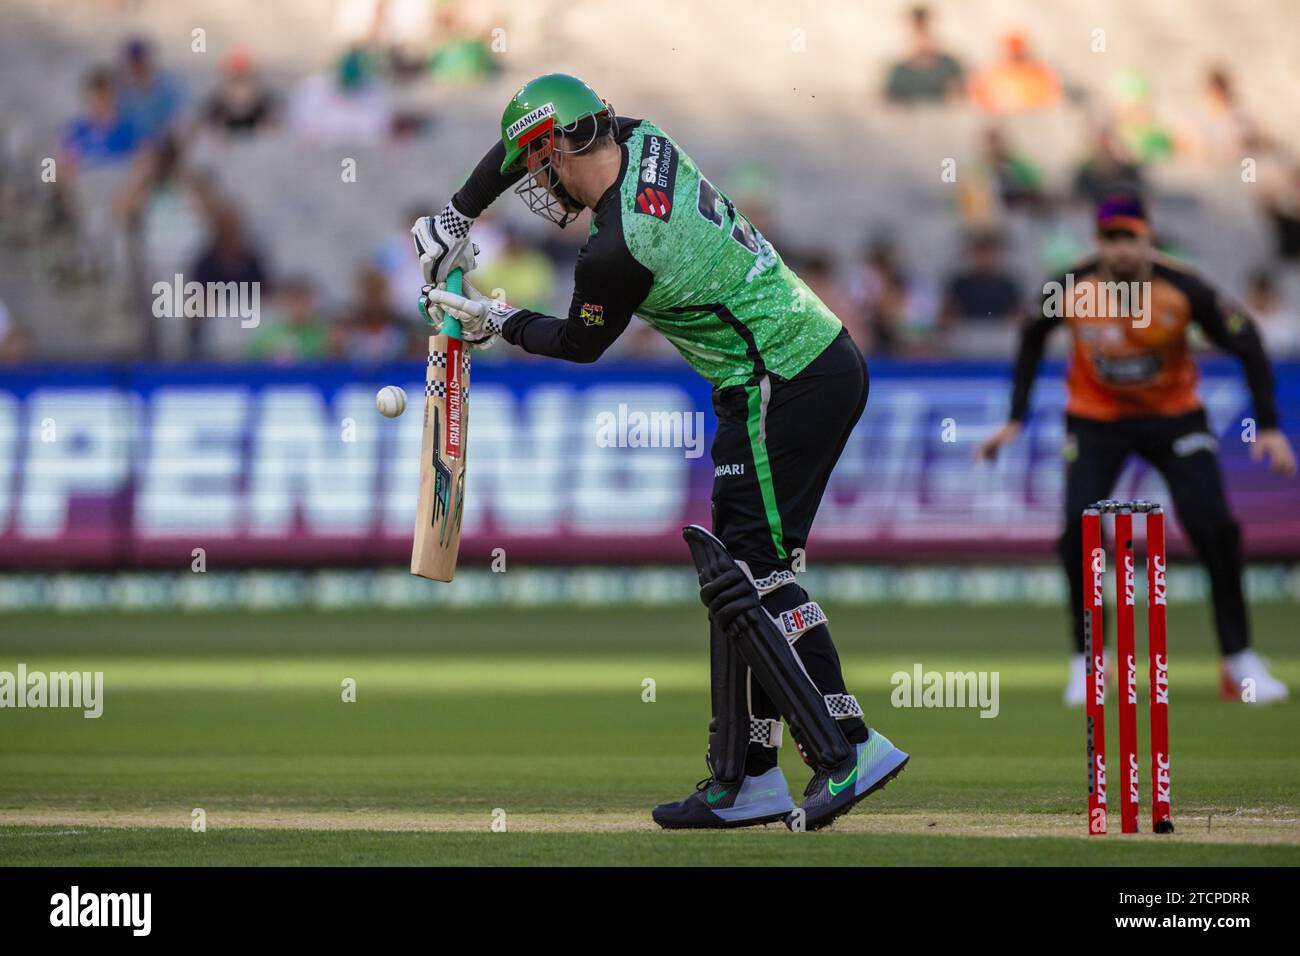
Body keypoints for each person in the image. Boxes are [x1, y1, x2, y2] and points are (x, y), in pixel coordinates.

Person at [412, 73, 908, 831]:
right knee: (733, 572)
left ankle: (848, 747)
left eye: (539, 166)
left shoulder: (620, 249)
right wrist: (456, 214)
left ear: (561, 149)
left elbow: (581, 344)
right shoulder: (641, 136)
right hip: (781, 375)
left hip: (786, 378)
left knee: (752, 574)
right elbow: (531, 136)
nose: (536, 185)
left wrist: (496, 322)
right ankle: (746, 777)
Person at [977, 196, 1296, 705]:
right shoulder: (1069, 287)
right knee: (1078, 533)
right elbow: (1031, 336)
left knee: (1215, 527)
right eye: (1111, 239)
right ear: (1097, 242)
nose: (1121, 249)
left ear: (1149, 240)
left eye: (1131, 238)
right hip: (1096, 421)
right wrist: (1014, 418)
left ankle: (1239, 662)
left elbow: (1247, 341)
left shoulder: (1186, 287)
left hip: (1174, 419)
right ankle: (1088, 664)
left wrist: (1272, 428)